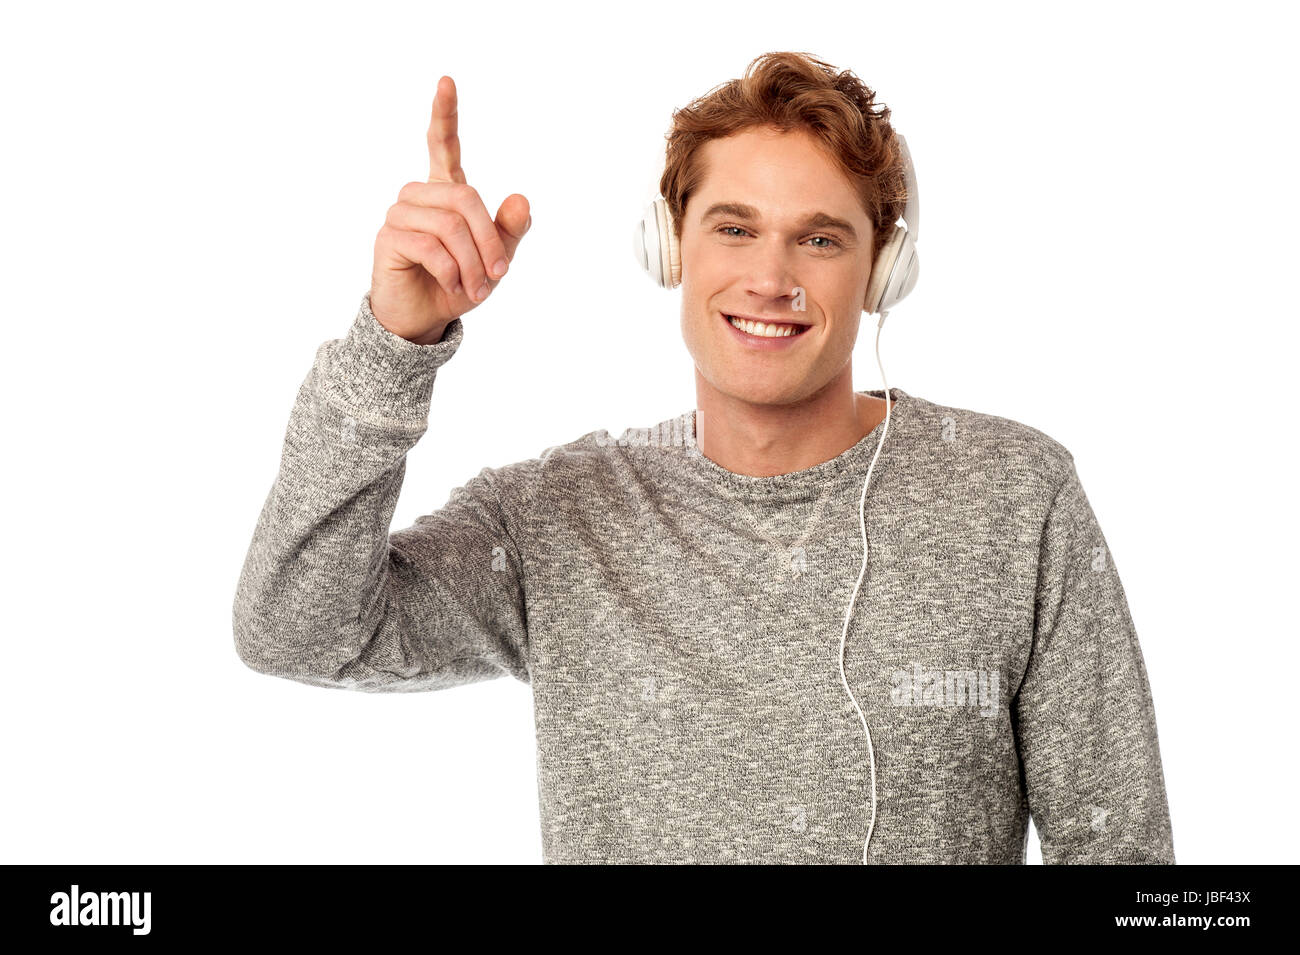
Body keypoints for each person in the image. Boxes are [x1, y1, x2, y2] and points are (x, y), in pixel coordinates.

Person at [232, 52, 1175, 865]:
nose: (770, 278)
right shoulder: (558, 515)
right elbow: (296, 627)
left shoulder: (1013, 496)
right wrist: (395, 345)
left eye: (818, 237)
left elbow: (1125, 858)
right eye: (733, 226)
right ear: (669, 245)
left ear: (885, 270)